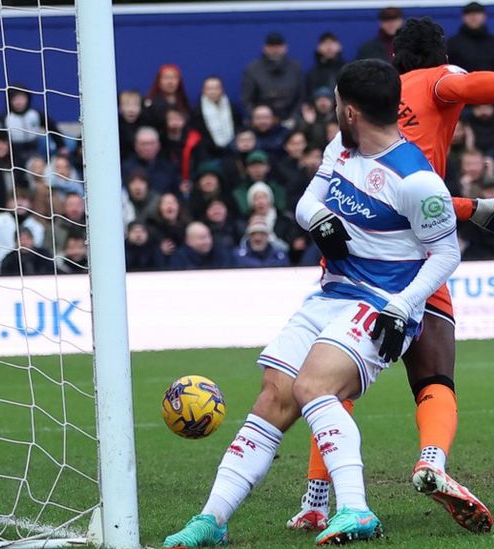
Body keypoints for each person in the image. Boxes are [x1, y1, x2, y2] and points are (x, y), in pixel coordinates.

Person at [288, 17, 494, 535]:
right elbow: (469, 86)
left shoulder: (360, 110)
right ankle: (431, 460)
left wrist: (473, 205)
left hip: (351, 259)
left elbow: (368, 186)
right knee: (434, 377)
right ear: (438, 55)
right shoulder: (435, 78)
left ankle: (318, 499)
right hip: (413, 253)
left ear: (391, 60)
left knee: (328, 385)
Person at [163, 59, 462, 548]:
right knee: (273, 396)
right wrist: (319, 220)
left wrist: (404, 306)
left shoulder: (417, 181)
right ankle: (211, 520)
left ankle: (356, 510)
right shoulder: (340, 149)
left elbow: (446, 252)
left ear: (351, 110)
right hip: (333, 293)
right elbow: (305, 202)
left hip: (383, 302)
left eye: (338, 100)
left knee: (314, 386)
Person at [241, 32, 303, 121]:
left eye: (278, 46)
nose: (275, 50)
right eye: (271, 47)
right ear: (264, 48)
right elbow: (246, 100)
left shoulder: (296, 68)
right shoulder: (252, 70)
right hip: (262, 124)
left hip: (291, 121)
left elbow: (301, 97)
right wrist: (260, 118)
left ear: (285, 48)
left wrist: (293, 118)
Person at [5, 86, 65, 165]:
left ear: (27, 99)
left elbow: (52, 128)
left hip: (35, 149)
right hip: (15, 152)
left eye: (21, 99)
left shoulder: (35, 114)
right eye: (15, 99)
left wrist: (61, 146)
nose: (19, 102)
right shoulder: (6, 118)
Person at [446, 2, 494, 74]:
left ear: (484, 16)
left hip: (491, 84)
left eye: (477, 13)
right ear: (463, 17)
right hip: (463, 84)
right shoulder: (453, 44)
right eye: (469, 13)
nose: (473, 17)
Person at [191, 76, 243, 160]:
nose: (213, 92)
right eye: (209, 89)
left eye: (216, 88)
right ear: (203, 90)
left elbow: (239, 127)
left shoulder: (232, 108)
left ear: (222, 89)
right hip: (208, 154)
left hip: (232, 151)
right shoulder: (197, 112)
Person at [121, 126, 180, 195]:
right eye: (143, 144)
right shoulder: (126, 168)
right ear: (136, 146)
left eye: (151, 143)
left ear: (158, 145)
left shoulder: (168, 168)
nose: (147, 147)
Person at [167, 221, 235, 270]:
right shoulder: (179, 258)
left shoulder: (221, 253)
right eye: (202, 238)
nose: (207, 241)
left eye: (208, 237)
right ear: (188, 241)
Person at [143, 64, 192, 132]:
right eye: (166, 78)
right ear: (159, 81)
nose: (170, 82)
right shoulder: (150, 104)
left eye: (174, 78)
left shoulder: (183, 102)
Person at [305, 33, 345, 98]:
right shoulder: (312, 74)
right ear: (318, 47)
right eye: (325, 43)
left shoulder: (347, 70)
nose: (329, 47)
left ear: (339, 46)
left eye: (332, 43)